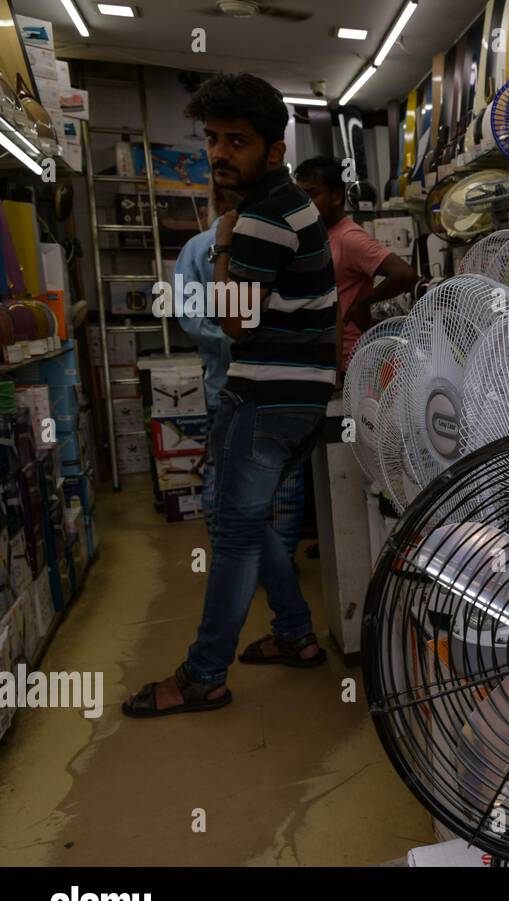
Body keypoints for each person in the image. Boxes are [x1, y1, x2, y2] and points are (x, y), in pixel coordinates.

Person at [124, 73, 337, 717]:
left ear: (274, 150)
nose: (220, 154)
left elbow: (236, 320)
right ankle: (296, 635)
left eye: (237, 141)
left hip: (265, 397)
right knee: (245, 521)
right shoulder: (290, 204)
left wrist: (220, 240)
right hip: (298, 400)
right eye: (213, 139)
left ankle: (202, 675)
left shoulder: (260, 218)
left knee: (236, 532)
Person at [175, 184, 307, 559]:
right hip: (268, 387)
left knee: (232, 477)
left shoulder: (196, 249)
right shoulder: (207, 249)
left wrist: (234, 338)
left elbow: (191, 320)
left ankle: (236, 560)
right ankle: (272, 562)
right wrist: (249, 338)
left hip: (235, 387)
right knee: (278, 479)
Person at [293, 156, 417, 374]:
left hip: (350, 364)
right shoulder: (319, 235)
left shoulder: (349, 237)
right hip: (322, 361)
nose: (305, 203)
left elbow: (404, 274)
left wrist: (361, 303)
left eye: (312, 194)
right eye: (301, 195)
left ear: (336, 196)